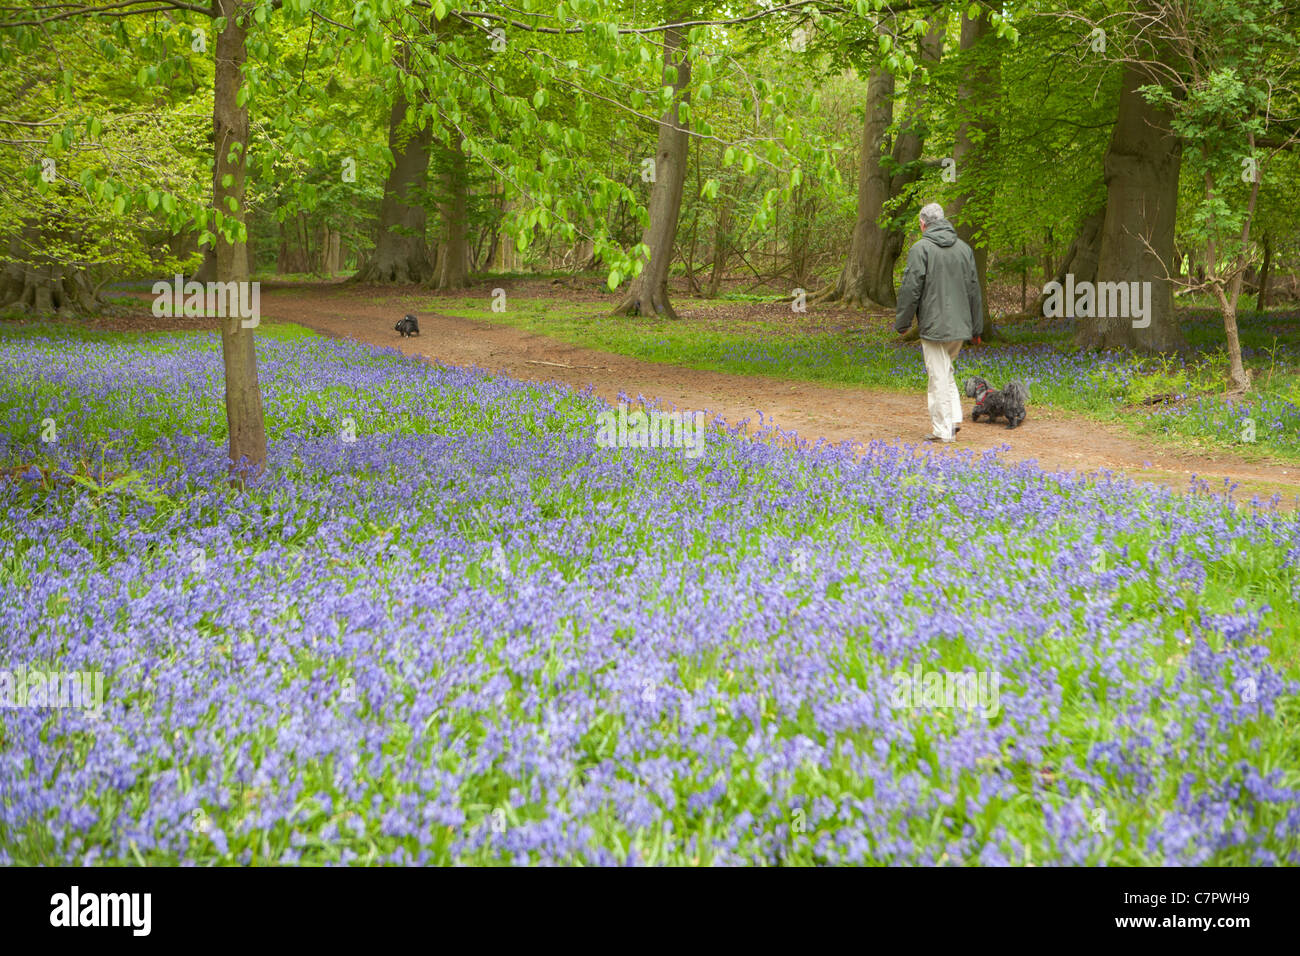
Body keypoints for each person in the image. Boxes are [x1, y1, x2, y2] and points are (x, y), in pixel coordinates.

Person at [894, 202, 984, 443]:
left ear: (923, 224)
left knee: (938, 376)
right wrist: (977, 328)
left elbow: (911, 288)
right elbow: (974, 290)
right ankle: (953, 420)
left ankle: (942, 430)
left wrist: (902, 322)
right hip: (960, 326)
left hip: (934, 326)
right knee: (946, 371)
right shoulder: (964, 249)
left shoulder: (920, 249)